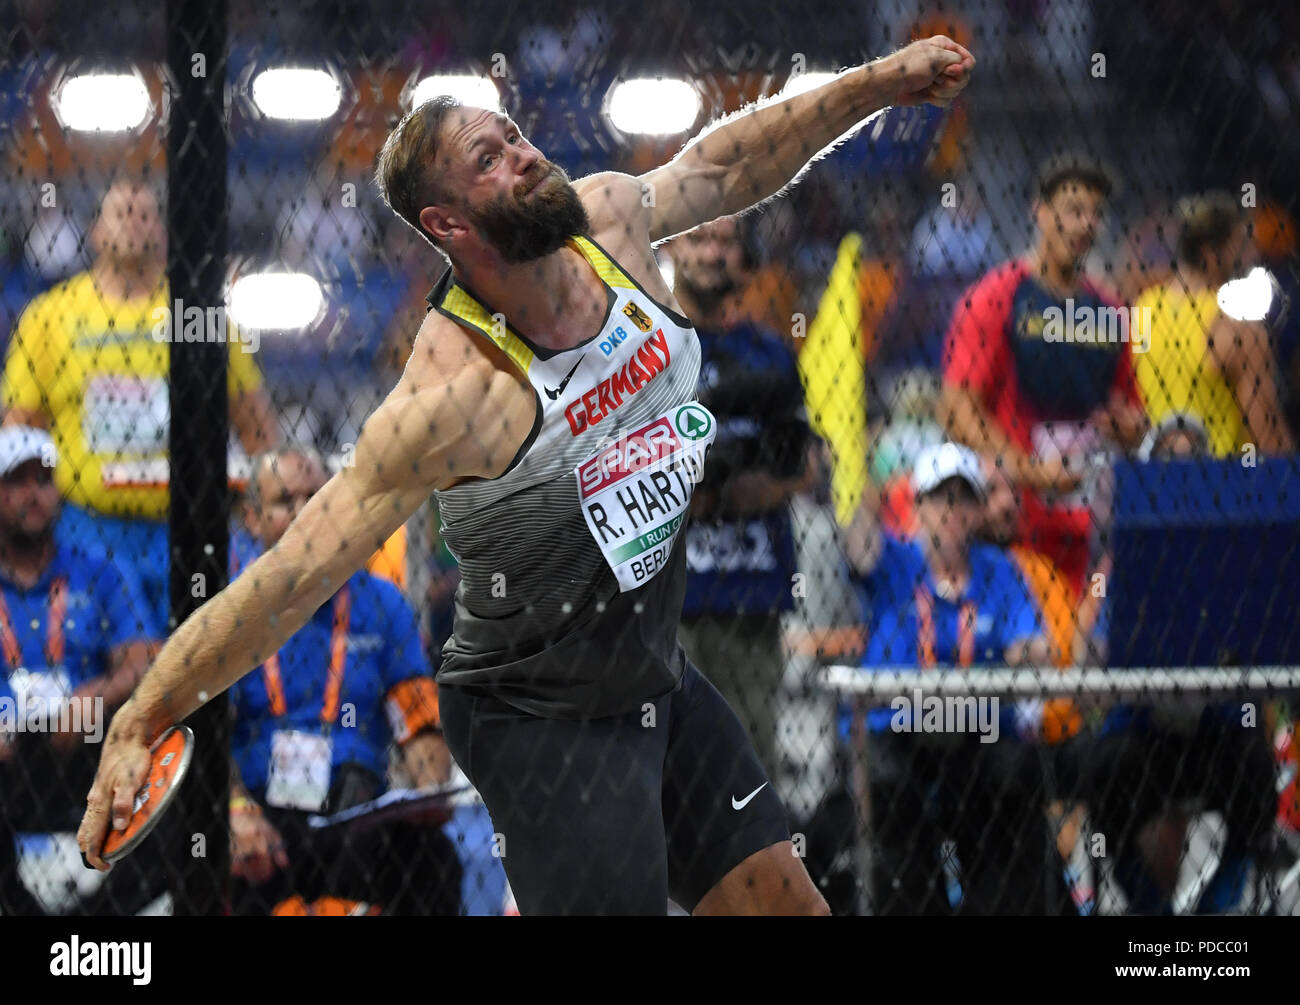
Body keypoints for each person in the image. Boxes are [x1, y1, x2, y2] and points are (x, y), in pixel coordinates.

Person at [79, 37, 976, 916]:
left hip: (651, 668)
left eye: (513, 136)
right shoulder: (453, 395)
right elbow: (289, 578)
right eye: (491, 158)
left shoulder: (610, 222)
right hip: (539, 714)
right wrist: (140, 717)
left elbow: (732, 163)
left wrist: (876, 84)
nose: (524, 154)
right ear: (448, 224)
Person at [1, 180, 279, 621]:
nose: (134, 223)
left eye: (145, 214)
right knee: (104, 652)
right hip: (82, 525)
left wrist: (268, 500)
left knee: (189, 655)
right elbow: (19, 433)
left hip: (185, 525)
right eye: (122, 213)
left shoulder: (201, 314)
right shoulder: (49, 316)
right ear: (95, 230)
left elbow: (254, 421)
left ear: (163, 232)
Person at [224, 446, 462, 915]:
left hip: (353, 818)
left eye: (316, 496)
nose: (305, 511)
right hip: (261, 820)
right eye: (285, 500)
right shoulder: (231, 610)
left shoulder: (382, 604)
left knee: (436, 861)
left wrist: (431, 783)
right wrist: (235, 811)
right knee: (205, 846)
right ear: (252, 518)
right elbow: (202, 737)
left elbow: (418, 722)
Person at [843, 442, 1070, 914]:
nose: (951, 510)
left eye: (964, 498)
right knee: (890, 792)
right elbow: (858, 552)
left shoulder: (998, 569)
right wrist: (865, 483)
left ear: (977, 509)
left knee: (1010, 780)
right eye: (939, 497)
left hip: (976, 725)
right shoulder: (896, 560)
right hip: (900, 724)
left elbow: (1039, 646)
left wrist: (1019, 653)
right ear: (918, 505)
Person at [939, 153, 1147, 597]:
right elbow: (957, 412)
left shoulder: (1112, 311)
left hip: (1095, 532)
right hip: (1013, 532)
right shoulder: (994, 299)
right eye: (1073, 211)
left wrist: (1130, 429)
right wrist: (1029, 471)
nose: (1085, 224)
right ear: (1040, 210)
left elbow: (1133, 414)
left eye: (1095, 214)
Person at [667, 217, 810, 775]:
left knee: (750, 769)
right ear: (674, 246)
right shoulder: (648, 347)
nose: (712, 253)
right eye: (698, 238)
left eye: (724, 241)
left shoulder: (769, 352)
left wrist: (743, 488)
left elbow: (806, 461)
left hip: (751, 590)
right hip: (669, 600)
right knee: (674, 769)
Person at [0, 426, 155, 914]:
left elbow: (145, 658)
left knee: (155, 758)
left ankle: (102, 921)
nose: (33, 495)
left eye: (43, 480)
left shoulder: (100, 569)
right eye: (16, 482)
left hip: (85, 736)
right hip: (6, 746)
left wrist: (96, 696)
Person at [1133, 192, 1294, 458]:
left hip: (1154, 482)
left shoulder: (1144, 307)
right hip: (1223, 484)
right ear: (1208, 253)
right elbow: (1267, 436)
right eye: (1240, 245)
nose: (1252, 255)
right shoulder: (1238, 328)